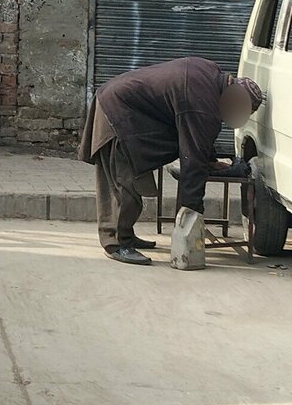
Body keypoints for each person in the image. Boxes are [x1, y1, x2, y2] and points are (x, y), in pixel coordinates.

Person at [79, 57, 263, 266]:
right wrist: (191, 212)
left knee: (131, 185)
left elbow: (197, 134)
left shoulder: (211, 77)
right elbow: (193, 161)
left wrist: (210, 160)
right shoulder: (202, 103)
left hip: (125, 108)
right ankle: (116, 243)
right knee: (124, 187)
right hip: (116, 113)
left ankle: (126, 236)